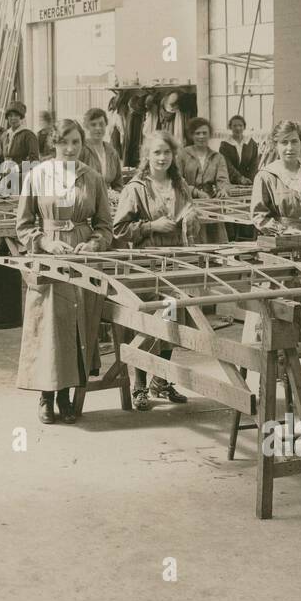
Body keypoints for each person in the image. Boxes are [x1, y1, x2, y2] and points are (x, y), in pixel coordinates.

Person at [15, 119, 113, 425]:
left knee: (77, 327)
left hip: (83, 260)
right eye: (63, 143)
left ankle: (66, 397)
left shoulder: (93, 178)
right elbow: (23, 225)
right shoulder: (37, 176)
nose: (70, 149)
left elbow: (105, 227)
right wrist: (44, 242)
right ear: (53, 144)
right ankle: (45, 396)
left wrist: (94, 245)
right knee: (49, 328)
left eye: (75, 143)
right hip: (48, 260)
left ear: (82, 144)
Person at [112, 130, 196, 410]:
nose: (162, 157)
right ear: (147, 156)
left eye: (167, 153)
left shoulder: (179, 185)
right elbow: (119, 230)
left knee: (171, 319)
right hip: (145, 265)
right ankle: (139, 386)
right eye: (156, 152)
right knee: (147, 323)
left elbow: (188, 212)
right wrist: (151, 226)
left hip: (174, 262)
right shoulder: (135, 188)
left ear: (174, 156)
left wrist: (191, 217)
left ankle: (161, 381)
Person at [250, 120, 301, 356]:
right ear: (275, 145)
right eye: (284, 142)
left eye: (294, 141)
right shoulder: (267, 176)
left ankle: (300, 360)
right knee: (278, 303)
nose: (290, 147)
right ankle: (276, 362)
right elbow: (258, 215)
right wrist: (284, 232)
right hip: (277, 249)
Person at [176, 116, 232, 243]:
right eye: (197, 133)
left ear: (209, 135)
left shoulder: (217, 157)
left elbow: (223, 179)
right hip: (188, 202)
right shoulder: (182, 155)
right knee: (193, 237)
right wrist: (195, 192)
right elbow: (177, 180)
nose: (201, 136)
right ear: (191, 135)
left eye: (204, 133)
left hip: (210, 203)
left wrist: (223, 190)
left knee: (215, 241)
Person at [79, 106, 123, 194]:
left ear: (106, 125)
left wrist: (115, 195)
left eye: (101, 124)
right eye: (93, 124)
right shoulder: (81, 150)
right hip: (86, 200)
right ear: (86, 126)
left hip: (109, 201)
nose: (98, 128)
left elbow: (118, 183)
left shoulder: (112, 152)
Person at [0, 101, 40, 174]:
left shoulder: (28, 135)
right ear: (7, 118)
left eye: (16, 115)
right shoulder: (4, 136)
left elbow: (34, 161)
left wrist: (15, 169)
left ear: (21, 117)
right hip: (5, 178)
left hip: (22, 177)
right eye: (10, 116)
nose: (13, 118)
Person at [218, 114, 259, 186]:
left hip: (249, 182)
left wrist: (250, 180)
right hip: (231, 182)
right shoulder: (225, 145)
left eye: (240, 125)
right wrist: (240, 179)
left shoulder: (251, 143)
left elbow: (254, 164)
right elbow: (227, 165)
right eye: (235, 126)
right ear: (230, 127)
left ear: (244, 127)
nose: (238, 128)